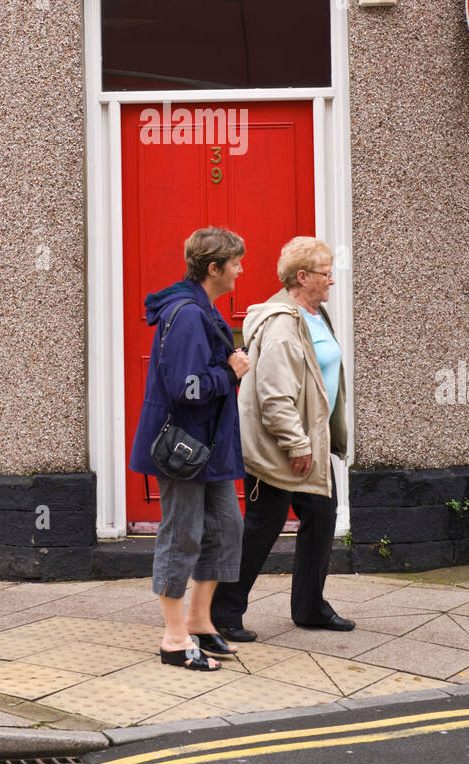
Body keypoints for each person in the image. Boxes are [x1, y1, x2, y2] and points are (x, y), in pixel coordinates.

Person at [211, 236, 353, 640]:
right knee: (261, 527)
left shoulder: (315, 314)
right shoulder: (281, 324)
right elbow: (274, 395)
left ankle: (309, 607)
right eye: (326, 274)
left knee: (322, 518)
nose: (331, 281)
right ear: (302, 277)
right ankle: (224, 611)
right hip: (283, 447)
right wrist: (296, 444)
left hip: (311, 440)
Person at [129, 227, 251, 672]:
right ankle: (173, 639)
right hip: (185, 448)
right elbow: (188, 387)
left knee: (226, 527)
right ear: (214, 268)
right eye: (235, 262)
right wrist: (232, 371)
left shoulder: (201, 310)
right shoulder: (186, 316)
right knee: (181, 535)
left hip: (208, 447)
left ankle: (199, 621)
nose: (241, 269)